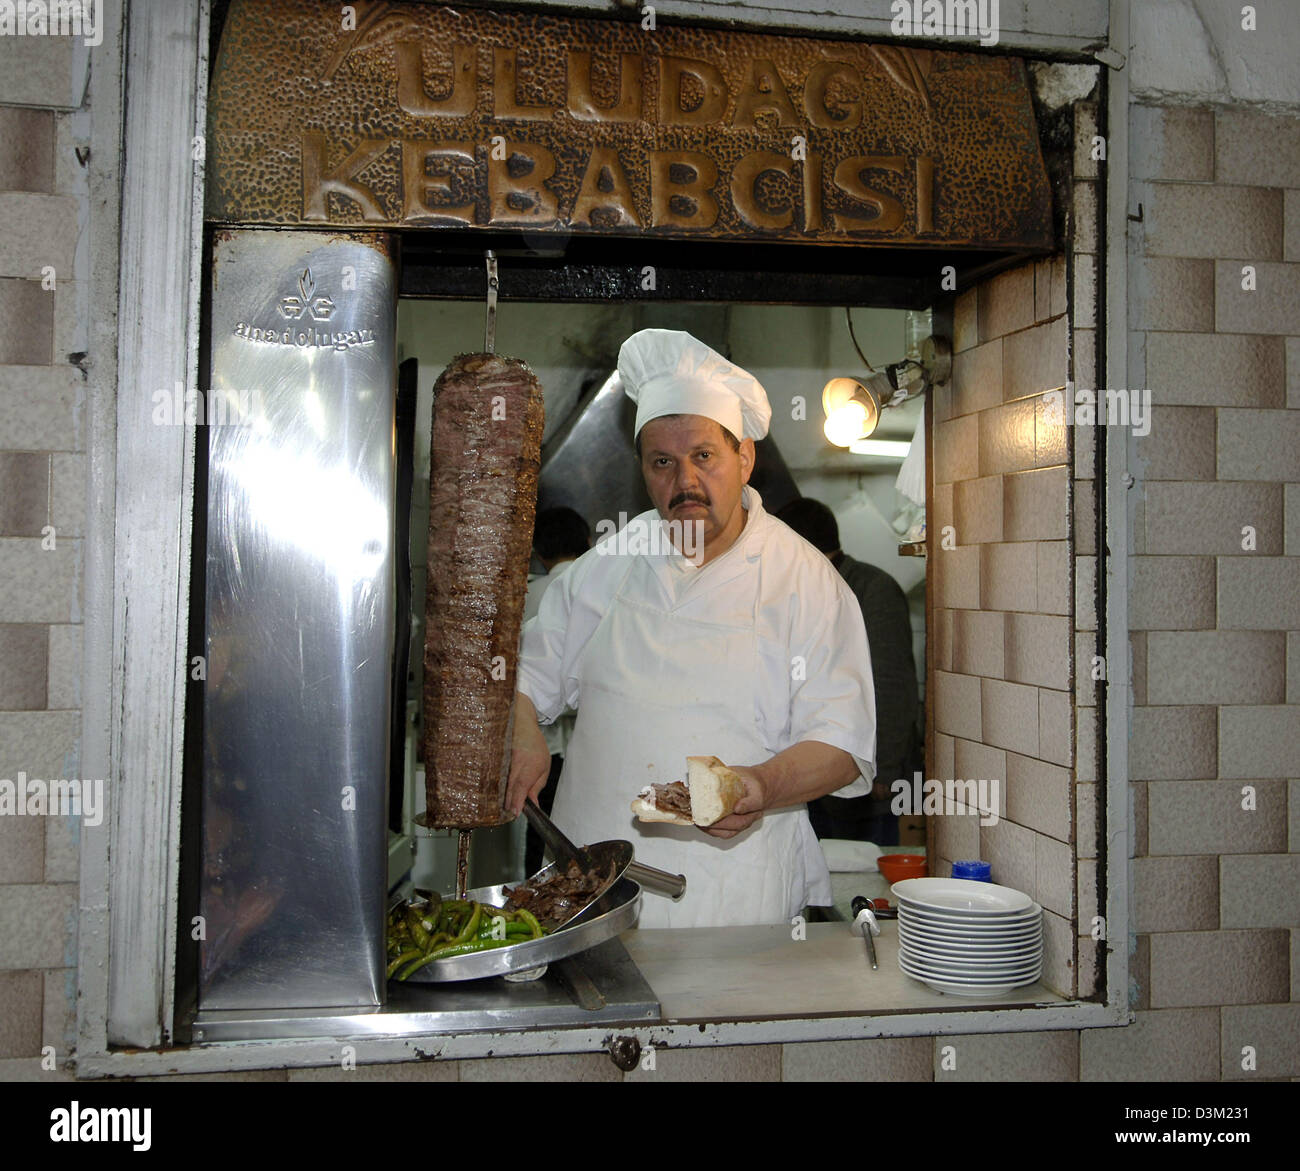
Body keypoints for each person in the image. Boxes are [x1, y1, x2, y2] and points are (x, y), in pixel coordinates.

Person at [505, 329, 877, 929]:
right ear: (644, 470)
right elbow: (524, 678)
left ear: (745, 456)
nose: (685, 483)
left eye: (704, 455)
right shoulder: (606, 568)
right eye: (663, 462)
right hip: (589, 902)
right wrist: (523, 732)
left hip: (736, 907)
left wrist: (761, 783)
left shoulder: (805, 581)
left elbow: (843, 745)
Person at [777, 497, 920, 846]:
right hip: (819, 776)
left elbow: (892, 684)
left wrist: (884, 769)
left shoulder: (872, 591)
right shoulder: (804, 591)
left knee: (864, 876)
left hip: (870, 781)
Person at [521, 507, 591, 877]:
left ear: (539, 552)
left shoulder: (529, 594)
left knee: (541, 835)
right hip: (581, 746)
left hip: (537, 745)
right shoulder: (600, 589)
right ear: (589, 544)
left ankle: (537, 896)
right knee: (577, 837)